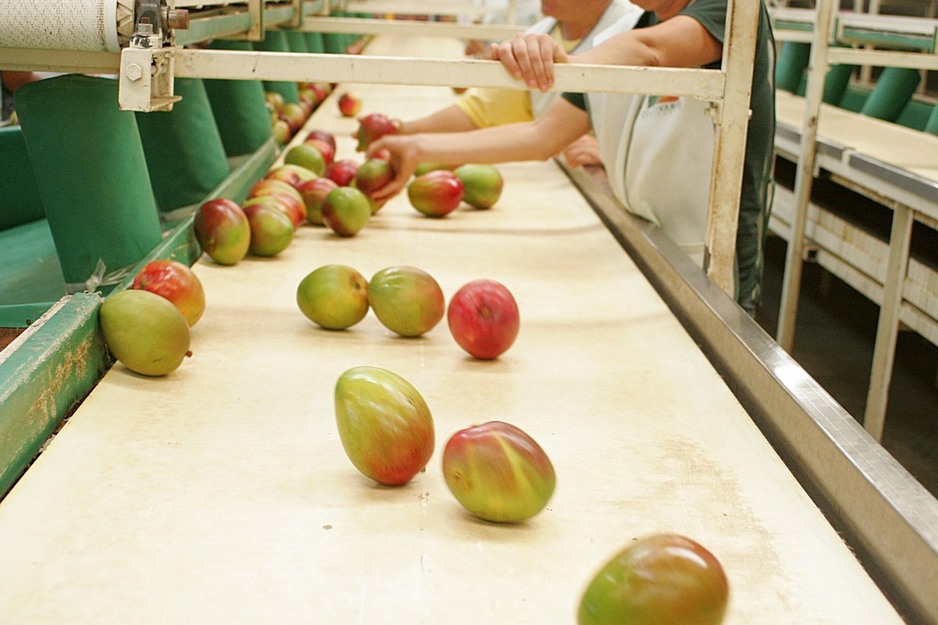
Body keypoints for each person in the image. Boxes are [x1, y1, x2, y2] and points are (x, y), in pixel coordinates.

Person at [370, 0, 775, 313]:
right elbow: (541, 134)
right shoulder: (623, 31)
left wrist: (563, 63)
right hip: (641, 248)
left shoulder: (733, 12)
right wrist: (419, 149)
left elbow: (650, 51)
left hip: (710, 267)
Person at [397, 0, 643, 168]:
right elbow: (484, 111)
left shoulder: (636, 30)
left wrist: (617, 154)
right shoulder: (541, 33)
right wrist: (402, 132)